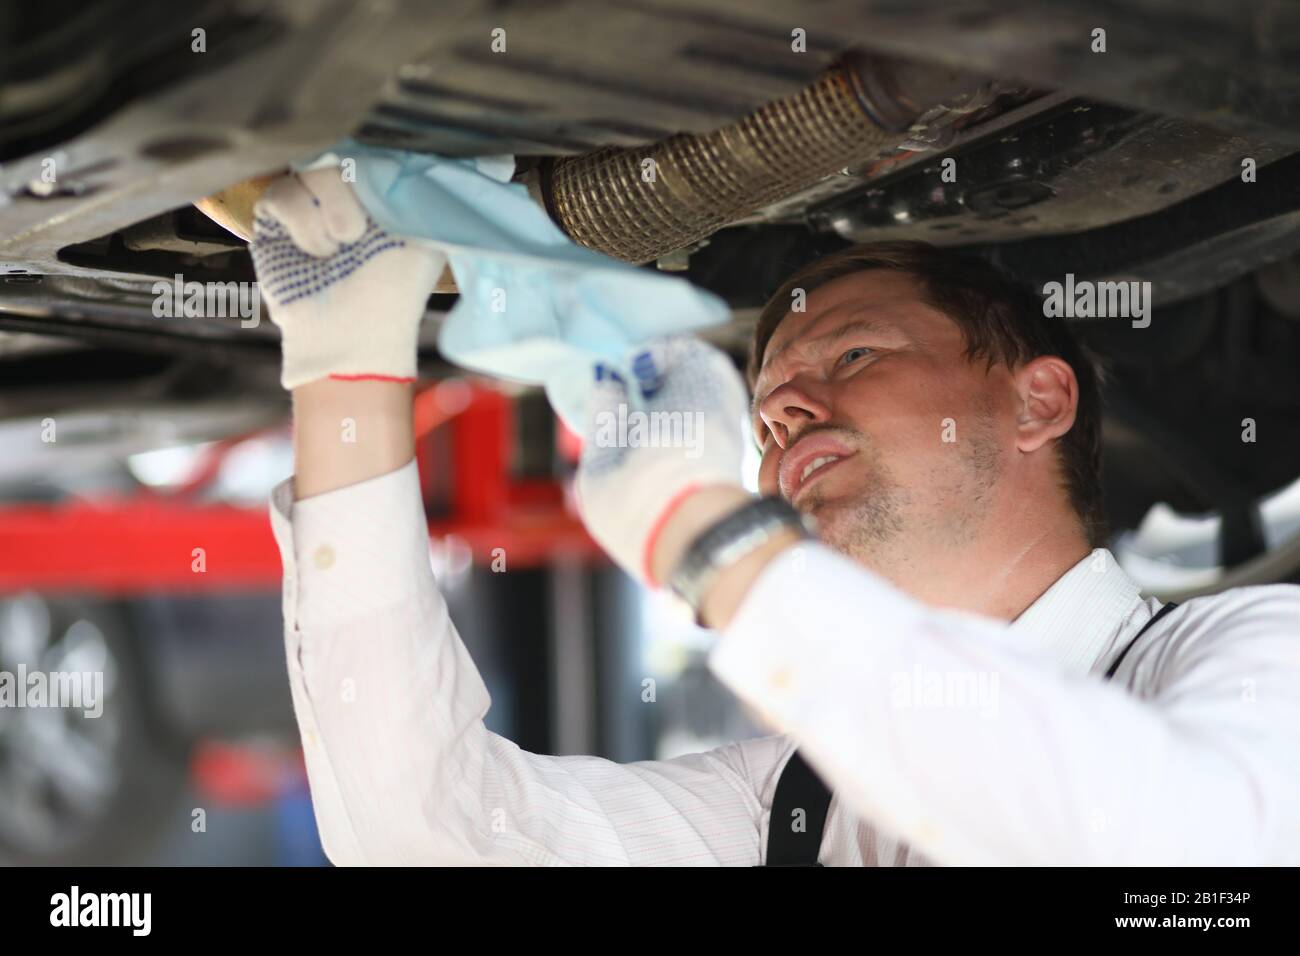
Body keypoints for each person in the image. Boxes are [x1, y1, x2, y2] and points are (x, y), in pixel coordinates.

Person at [252, 167, 1300, 866]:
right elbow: (431, 833)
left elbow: (1187, 854)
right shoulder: (798, 804)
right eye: (763, 411)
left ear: (1039, 401)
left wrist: (709, 541)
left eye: (855, 354)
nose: (784, 409)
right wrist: (346, 374)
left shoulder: (1255, 650)